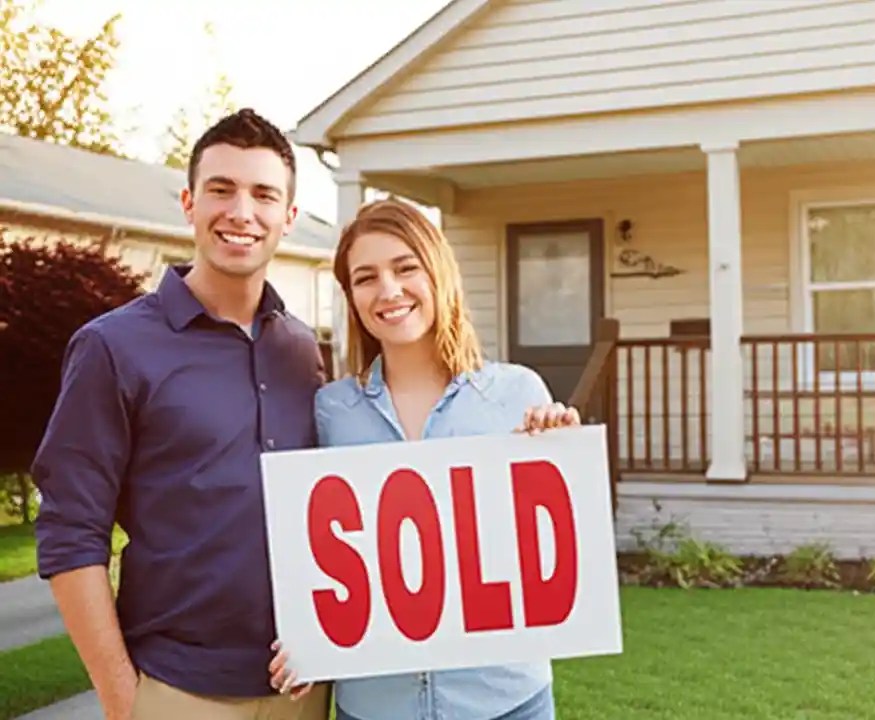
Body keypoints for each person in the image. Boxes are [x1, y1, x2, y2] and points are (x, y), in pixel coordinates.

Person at [32, 109, 330, 720]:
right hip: (176, 693)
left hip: (304, 690)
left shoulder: (302, 350)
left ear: (288, 219)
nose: (241, 212)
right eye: (221, 190)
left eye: (264, 195)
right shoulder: (112, 348)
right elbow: (70, 535)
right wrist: (124, 700)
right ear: (190, 202)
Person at [266, 198, 576, 720]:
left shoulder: (518, 393)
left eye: (405, 268)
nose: (388, 290)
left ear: (439, 274)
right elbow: (315, 548)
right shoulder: (330, 412)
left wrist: (559, 447)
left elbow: (546, 543)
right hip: (377, 705)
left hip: (505, 701)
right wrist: (310, 635)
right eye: (366, 278)